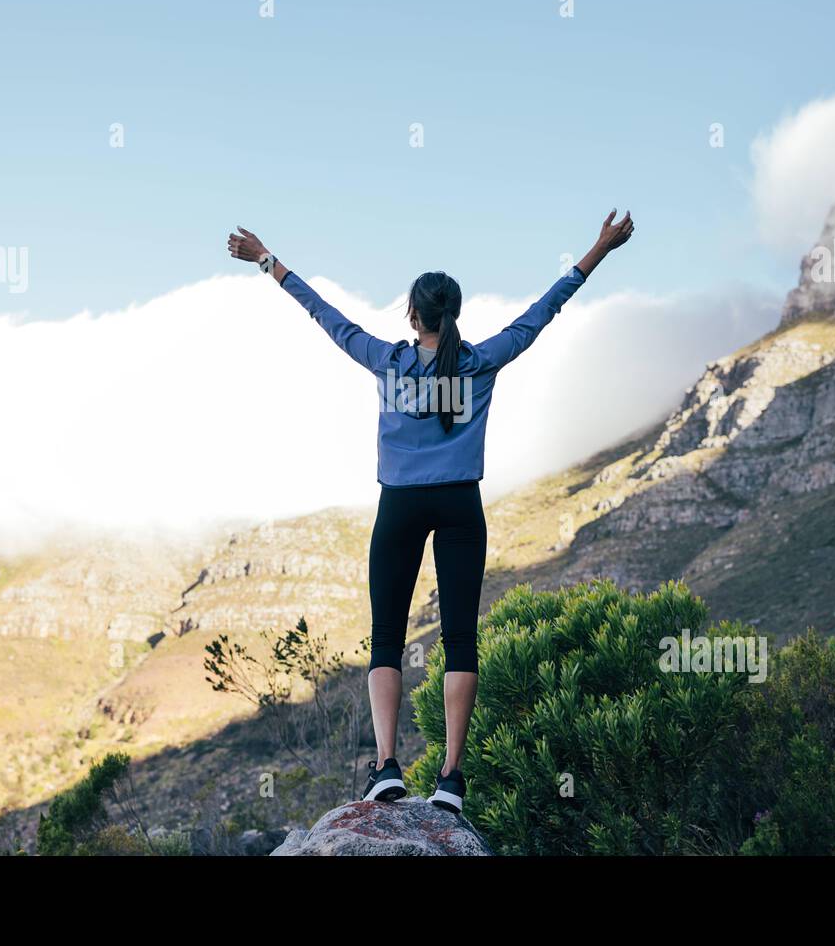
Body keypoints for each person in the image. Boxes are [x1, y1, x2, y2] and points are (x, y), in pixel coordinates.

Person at [226, 209, 633, 813]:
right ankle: (449, 779)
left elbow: (325, 315)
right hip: (461, 504)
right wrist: (600, 248)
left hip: (401, 506)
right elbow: (544, 311)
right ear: (455, 315)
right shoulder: (482, 361)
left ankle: (387, 766)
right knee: (460, 639)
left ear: (414, 317)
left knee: (387, 636)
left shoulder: (388, 362)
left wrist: (266, 259)